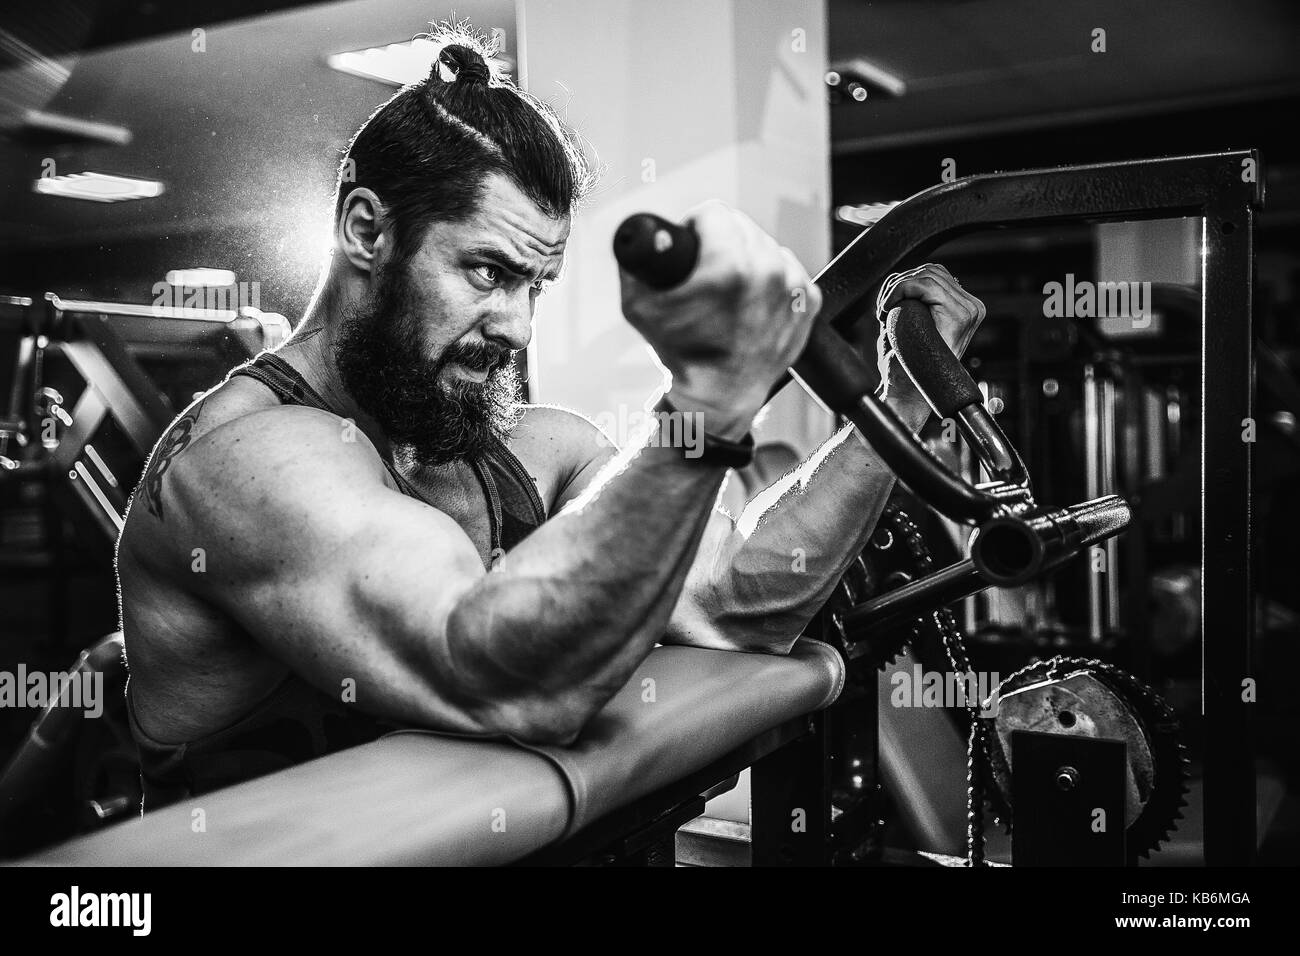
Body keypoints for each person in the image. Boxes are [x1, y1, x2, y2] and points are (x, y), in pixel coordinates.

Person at [115, 28, 985, 807]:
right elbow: (504, 683)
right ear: (365, 231)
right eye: (488, 272)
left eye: (536, 285)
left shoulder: (531, 446)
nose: (520, 326)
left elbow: (734, 606)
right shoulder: (246, 462)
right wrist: (708, 400)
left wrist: (903, 402)